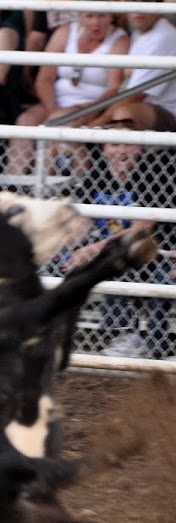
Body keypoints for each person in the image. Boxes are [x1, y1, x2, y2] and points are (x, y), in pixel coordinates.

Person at [60, 103, 176, 359]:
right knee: (58, 260)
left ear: (141, 148)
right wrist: (66, 245)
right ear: (104, 148)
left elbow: (142, 229)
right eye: (114, 145)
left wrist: (90, 249)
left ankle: (150, 342)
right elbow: (84, 223)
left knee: (119, 258)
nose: (121, 151)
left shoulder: (152, 172)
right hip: (114, 246)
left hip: (156, 248)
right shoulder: (96, 175)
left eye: (128, 144)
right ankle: (115, 335)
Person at [7, 10, 127, 175]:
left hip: (90, 105)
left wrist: (90, 110)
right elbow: (44, 78)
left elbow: (114, 88)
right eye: (89, 16)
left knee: (56, 121)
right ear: (80, 16)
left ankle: (45, 187)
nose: (95, 23)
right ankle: (15, 183)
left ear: (111, 16)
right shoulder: (65, 32)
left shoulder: (119, 39)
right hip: (54, 102)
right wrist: (52, 109)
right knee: (25, 120)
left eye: (101, 16)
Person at [90, 10, 176, 126]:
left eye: (146, 1)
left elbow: (136, 94)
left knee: (123, 115)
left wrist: (96, 124)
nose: (139, 10)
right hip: (137, 102)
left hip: (166, 111)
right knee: (74, 113)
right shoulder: (139, 31)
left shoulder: (163, 36)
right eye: (134, 1)